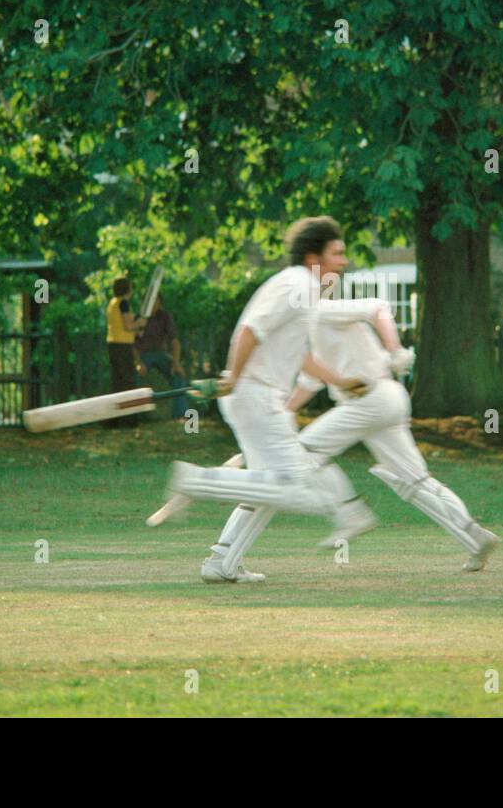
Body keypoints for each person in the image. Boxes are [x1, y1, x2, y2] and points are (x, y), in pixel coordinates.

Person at [214, 273, 500, 577]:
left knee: (300, 454)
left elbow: (378, 307)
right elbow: (310, 383)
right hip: (387, 402)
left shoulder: (321, 310)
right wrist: (275, 422)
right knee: (413, 481)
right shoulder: (304, 334)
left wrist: (395, 350)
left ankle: (350, 513)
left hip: (371, 400)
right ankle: (475, 537)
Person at [144, 216, 377, 583]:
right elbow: (252, 330)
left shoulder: (304, 289)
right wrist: (235, 376)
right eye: (338, 253)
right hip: (255, 395)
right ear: (314, 257)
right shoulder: (297, 284)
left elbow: (297, 354)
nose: (344, 261)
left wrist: (341, 381)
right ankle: (196, 480)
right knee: (299, 490)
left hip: (258, 395)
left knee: (270, 487)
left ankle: (222, 561)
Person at [135, 292, 188, 418]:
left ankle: (179, 413)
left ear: (160, 302)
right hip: (143, 355)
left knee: (179, 375)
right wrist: (138, 363)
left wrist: (176, 363)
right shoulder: (138, 318)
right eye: (150, 301)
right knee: (133, 376)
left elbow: (175, 342)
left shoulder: (165, 316)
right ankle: (137, 416)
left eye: (156, 301)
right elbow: (133, 345)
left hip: (161, 354)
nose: (153, 304)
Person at [106, 276, 149, 426]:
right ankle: (130, 421)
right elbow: (128, 326)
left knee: (117, 384)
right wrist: (140, 324)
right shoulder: (123, 303)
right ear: (128, 289)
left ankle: (112, 421)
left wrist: (138, 325)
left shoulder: (113, 303)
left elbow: (129, 324)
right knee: (128, 382)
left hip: (113, 344)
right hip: (122, 346)